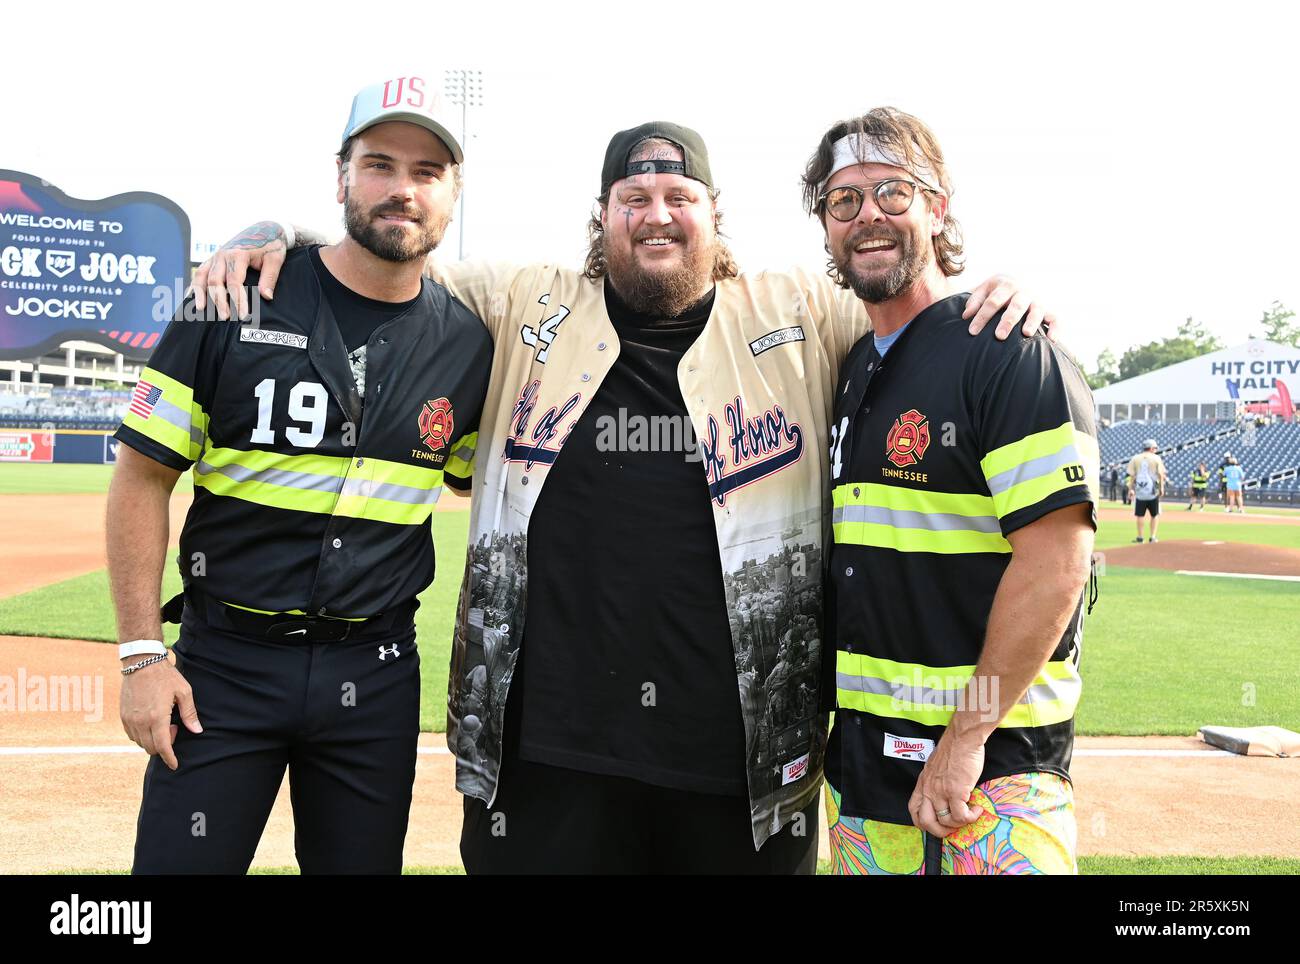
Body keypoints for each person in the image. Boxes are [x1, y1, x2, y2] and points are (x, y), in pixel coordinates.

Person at [190, 122, 1054, 874]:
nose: (656, 213)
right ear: (602, 217)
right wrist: (275, 232)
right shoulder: (525, 299)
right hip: (542, 757)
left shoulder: (795, 310)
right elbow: (387, 252)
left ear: (715, 215)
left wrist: (993, 292)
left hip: (745, 761)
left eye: (679, 193)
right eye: (632, 196)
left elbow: (894, 284)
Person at [108, 76, 491, 874]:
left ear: (454, 193)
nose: (402, 190)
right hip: (223, 671)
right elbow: (142, 477)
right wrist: (143, 656)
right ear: (342, 175)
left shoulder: (469, 345)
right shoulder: (233, 298)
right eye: (380, 164)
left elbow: (470, 481)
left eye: (427, 172)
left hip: (375, 678)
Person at [804, 108, 1098, 875]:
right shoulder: (847, 368)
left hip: (992, 778)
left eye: (893, 192)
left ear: (938, 207)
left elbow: (1056, 564)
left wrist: (965, 741)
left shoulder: (1008, 353)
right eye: (843, 201)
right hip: (867, 777)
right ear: (826, 227)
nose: (868, 215)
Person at [1127, 438, 1166, 542]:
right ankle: (1152, 537)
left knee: (1140, 515)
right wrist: (1162, 487)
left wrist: (1130, 489)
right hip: (1153, 492)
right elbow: (1161, 474)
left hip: (1140, 492)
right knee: (1154, 515)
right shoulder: (1156, 458)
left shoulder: (1135, 458)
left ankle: (1140, 537)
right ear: (1152, 448)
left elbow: (1132, 476)